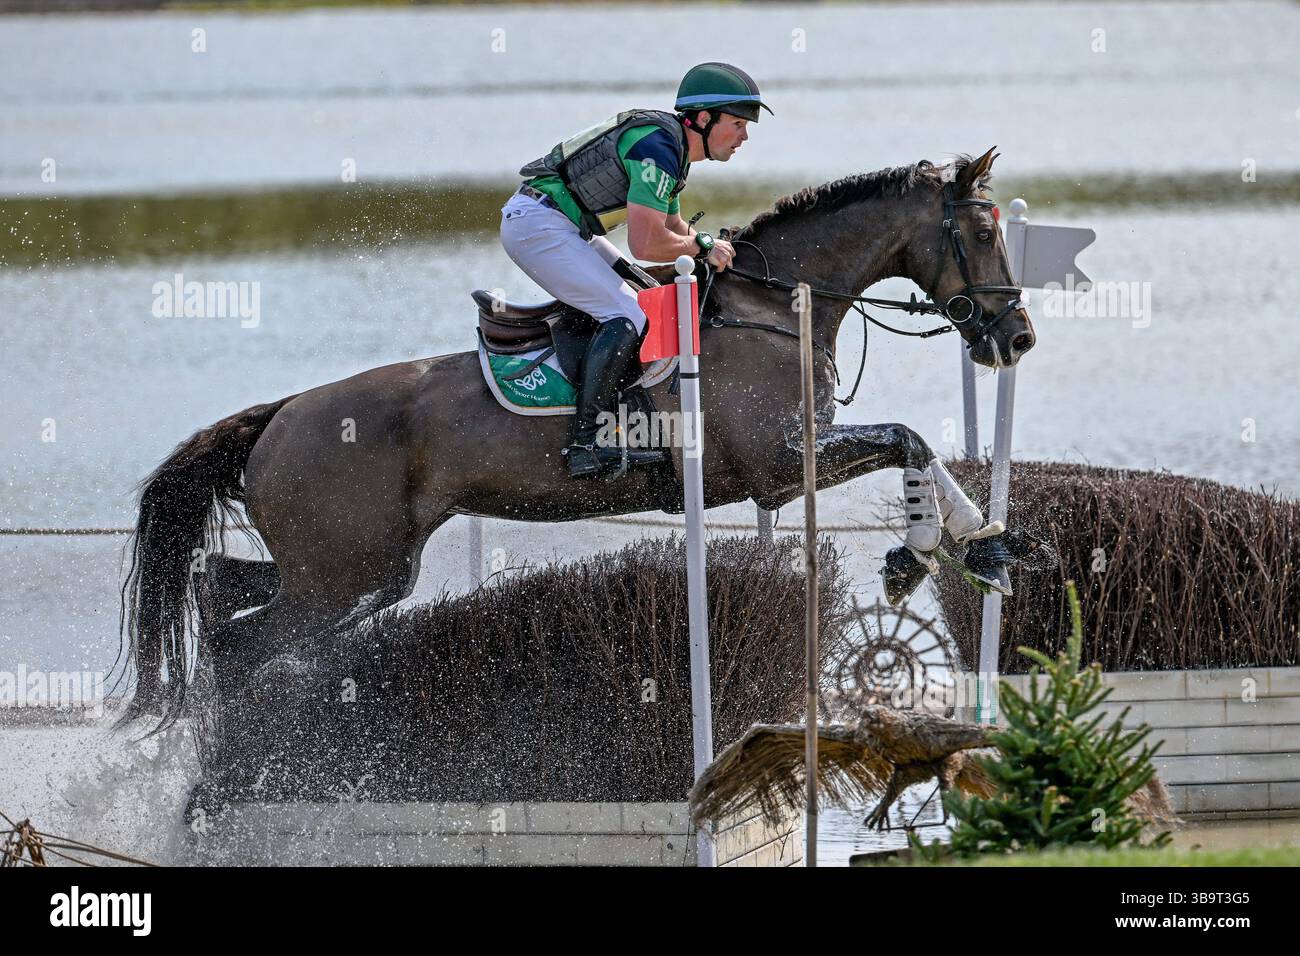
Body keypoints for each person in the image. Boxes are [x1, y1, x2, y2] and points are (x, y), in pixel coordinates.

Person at [500, 62, 771, 478]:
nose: (744, 137)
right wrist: (702, 246)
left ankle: (620, 413)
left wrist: (718, 249)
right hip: (539, 225)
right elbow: (646, 244)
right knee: (629, 313)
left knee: (643, 291)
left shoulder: (673, 149)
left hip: (566, 225)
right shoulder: (658, 149)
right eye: (736, 124)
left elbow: (675, 228)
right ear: (703, 118)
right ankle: (585, 445)